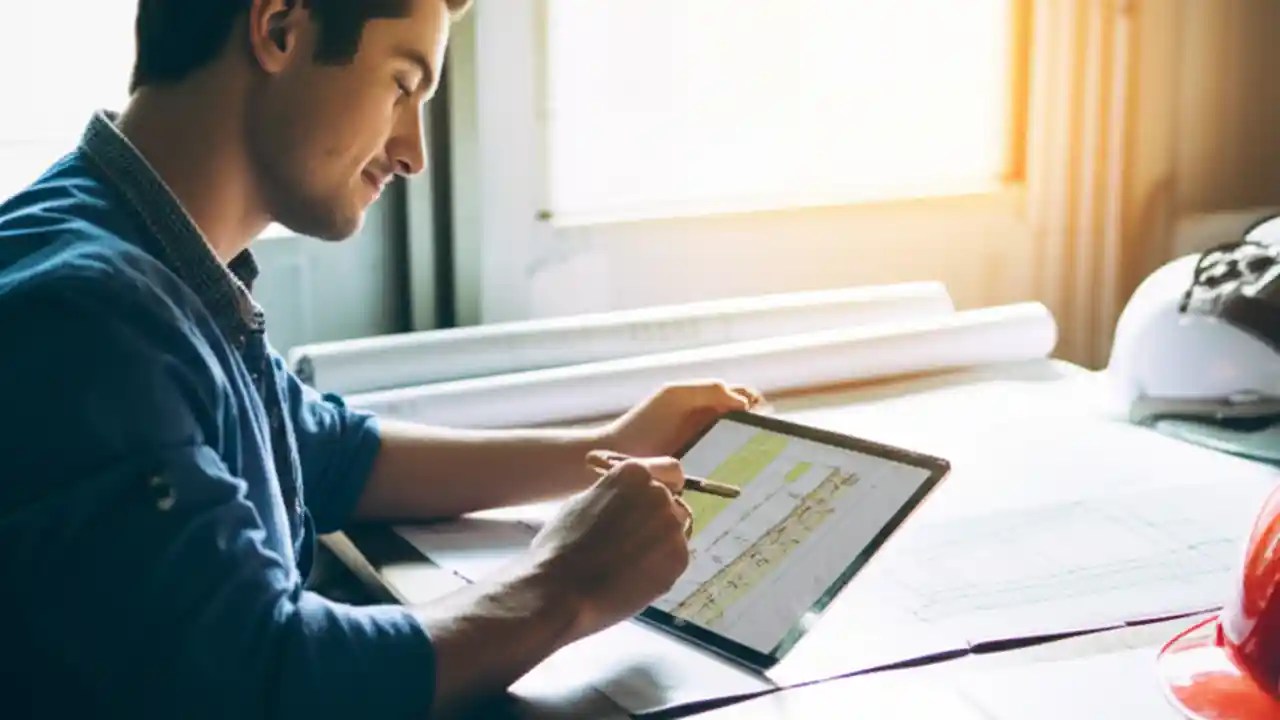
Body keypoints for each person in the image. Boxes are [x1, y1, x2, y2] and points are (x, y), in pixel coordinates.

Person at [0, 1, 763, 717]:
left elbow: (329, 453)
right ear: (280, 26)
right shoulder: (88, 317)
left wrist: (610, 448)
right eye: (403, 84)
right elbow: (267, 680)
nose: (413, 153)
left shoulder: (146, 254)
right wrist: (564, 581)